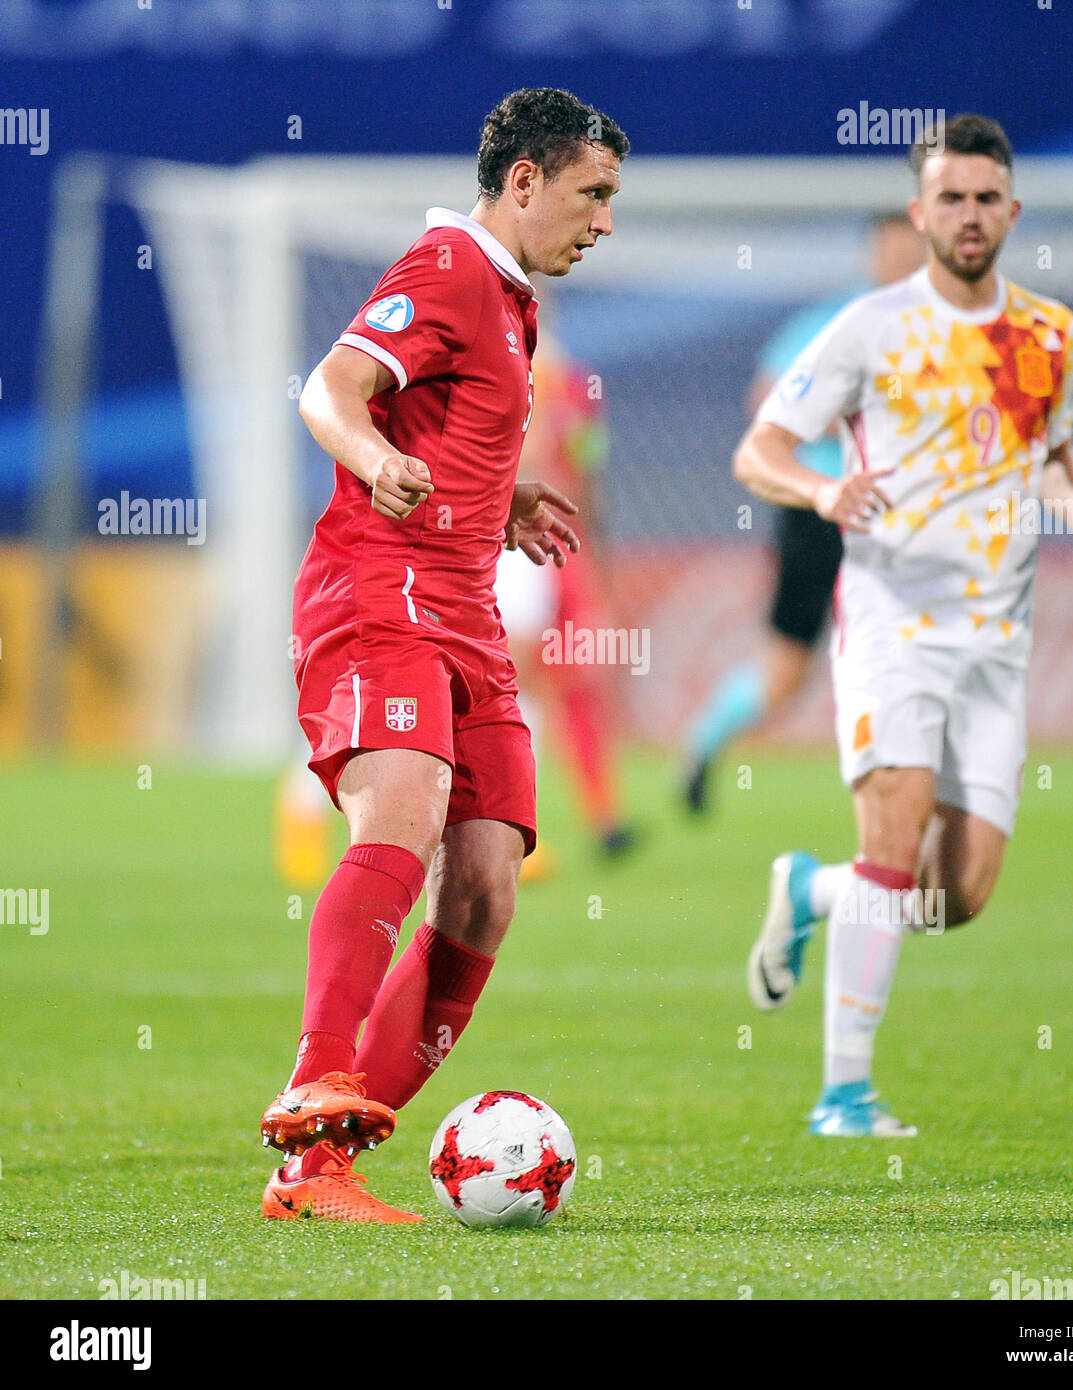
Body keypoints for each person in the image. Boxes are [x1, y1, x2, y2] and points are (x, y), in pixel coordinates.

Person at [258, 88, 628, 1221]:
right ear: (525, 181)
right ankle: (316, 1093)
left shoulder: (511, 301)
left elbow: (440, 420)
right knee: (406, 817)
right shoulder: (451, 265)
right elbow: (330, 390)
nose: (605, 221)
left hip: (465, 603)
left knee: (484, 891)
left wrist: (495, 496)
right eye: (592, 193)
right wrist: (374, 462)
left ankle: (319, 1166)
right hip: (382, 592)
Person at [732, 114, 1073, 1138]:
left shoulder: (1051, 334)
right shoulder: (872, 326)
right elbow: (761, 449)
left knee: (958, 892)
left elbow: (1044, 452)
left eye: (983, 197)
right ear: (922, 214)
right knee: (894, 830)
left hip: (998, 646)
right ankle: (844, 1095)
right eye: (947, 198)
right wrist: (822, 497)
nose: (966, 215)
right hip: (891, 623)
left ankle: (810, 889)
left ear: (1011, 210)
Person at [683, 214, 923, 812]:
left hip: (904, 514)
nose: (901, 259)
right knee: (787, 674)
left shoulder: (937, 332)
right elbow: (764, 399)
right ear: (873, 253)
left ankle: (909, 788)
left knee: (905, 654)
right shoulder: (831, 323)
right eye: (891, 248)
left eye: (912, 248)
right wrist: (838, 414)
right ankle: (705, 742)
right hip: (820, 510)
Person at [495, 317, 636, 871]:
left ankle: (602, 818)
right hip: (509, 546)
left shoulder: (574, 384)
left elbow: (587, 473)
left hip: (561, 549)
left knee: (574, 680)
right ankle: (506, 826)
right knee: (506, 677)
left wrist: (596, 564)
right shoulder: (481, 373)